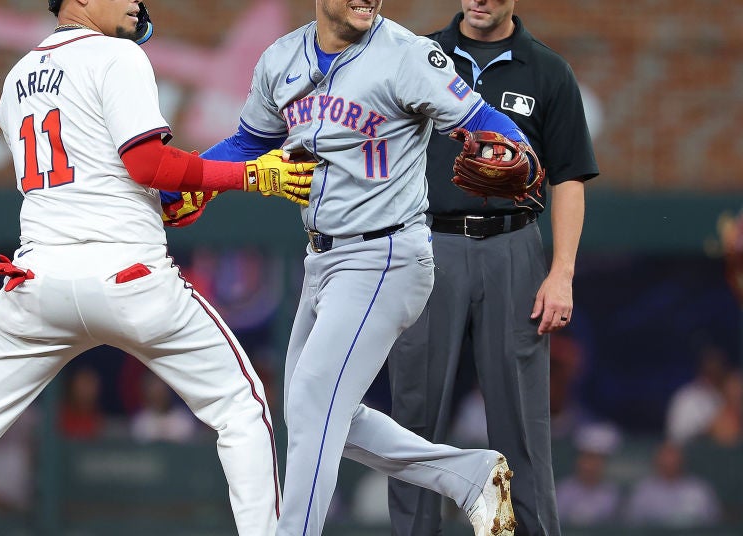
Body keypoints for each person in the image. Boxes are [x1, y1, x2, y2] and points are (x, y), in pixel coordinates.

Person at [0, 1, 317, 534]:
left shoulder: (16, 78)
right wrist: (247, 176)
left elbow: (101, 176)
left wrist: (178, 194)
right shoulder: (116, 55)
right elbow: (147, 165)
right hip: (126, 275)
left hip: (36, 284)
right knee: (241, 409)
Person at [202, 0, 550, 534]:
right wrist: (195, 177)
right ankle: (468, 475)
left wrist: (517, 148)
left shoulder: (408, 56)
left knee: (316, 402)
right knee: (309, 411)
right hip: (322, 259)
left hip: (387, 255)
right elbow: (251, 142)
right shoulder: (280, 59)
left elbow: (485, 120)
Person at [386, 1, 599, 534]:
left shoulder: (548, 70)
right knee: (414, 420)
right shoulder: (416, 57)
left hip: (513, 247)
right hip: (427, 245)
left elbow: (569, 178)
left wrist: (562, 273)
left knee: (523, 425)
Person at [623, 442, 721, 527]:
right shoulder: (643, 490)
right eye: (665, 458)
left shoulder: (699, 489)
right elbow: (633, 524)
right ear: (656, 461)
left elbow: (713, 523)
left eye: (674, 457)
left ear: (682, 460)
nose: (670, 462)